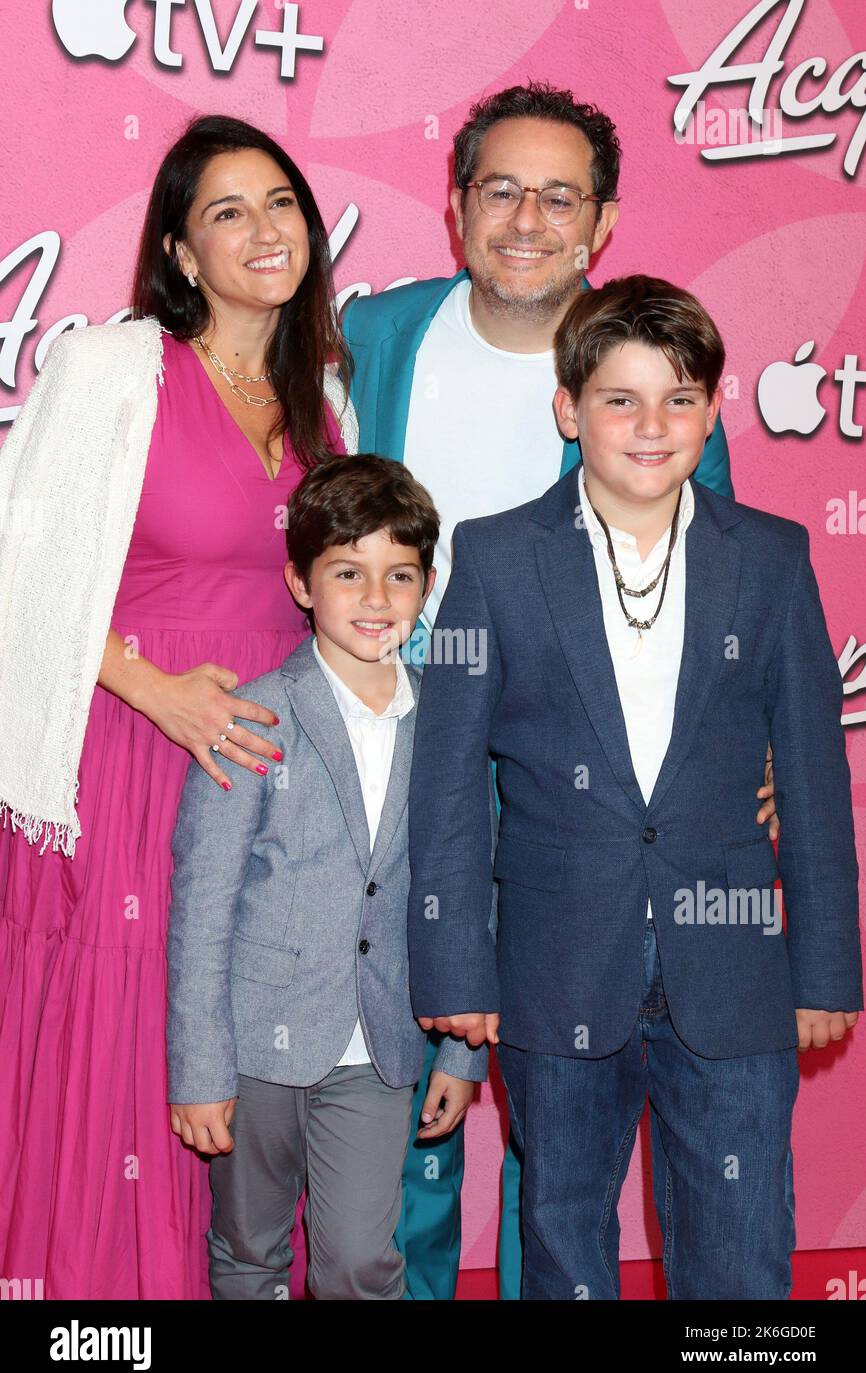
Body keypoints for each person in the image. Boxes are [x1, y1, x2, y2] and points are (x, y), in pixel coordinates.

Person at [341, 80, 776, 1300]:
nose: (526, 219)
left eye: (558, 195)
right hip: (396, 772)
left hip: (574, 800)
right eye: (500, 190)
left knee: (560, 1119)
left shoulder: (644, 372)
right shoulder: (378, 338)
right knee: (396, 1114)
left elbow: (719, 594)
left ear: (603, 218)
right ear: (454, 204)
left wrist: (744, 764)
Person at [407, 274, 862, 1300]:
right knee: (562, 1236)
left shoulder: (772, 559)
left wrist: (825, 963)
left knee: (741, 1245)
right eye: (619, 399)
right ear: (568, 410)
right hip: (552, 966)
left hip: (736, 967)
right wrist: (453, 971)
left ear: (711, 408)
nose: (650, 426)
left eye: (678, 399)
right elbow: (443, 783)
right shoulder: (492, 556)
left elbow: (811, 771)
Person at [0, 115, 357, 1298]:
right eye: (227, 211)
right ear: (180, 250)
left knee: (244, 1048)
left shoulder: (322, 397)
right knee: (129, 1036)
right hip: (130, 754)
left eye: (282, 204)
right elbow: (23, 567)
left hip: (266, 778)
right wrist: (152, 688)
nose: (265, 231)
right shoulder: (115, 368)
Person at [166, 454, 487, 1299]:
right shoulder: (254, 717)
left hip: (381, 1045)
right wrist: (200, 1069)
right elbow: (201, 907)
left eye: (400, 576)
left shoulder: (449, 724)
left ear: (425, 588)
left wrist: (459, 1049)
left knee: (358, 1261)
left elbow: (465, 892)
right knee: (249, 1250)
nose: (376, 600)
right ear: (301, 583)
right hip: (255, 1043)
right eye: (349, 573)